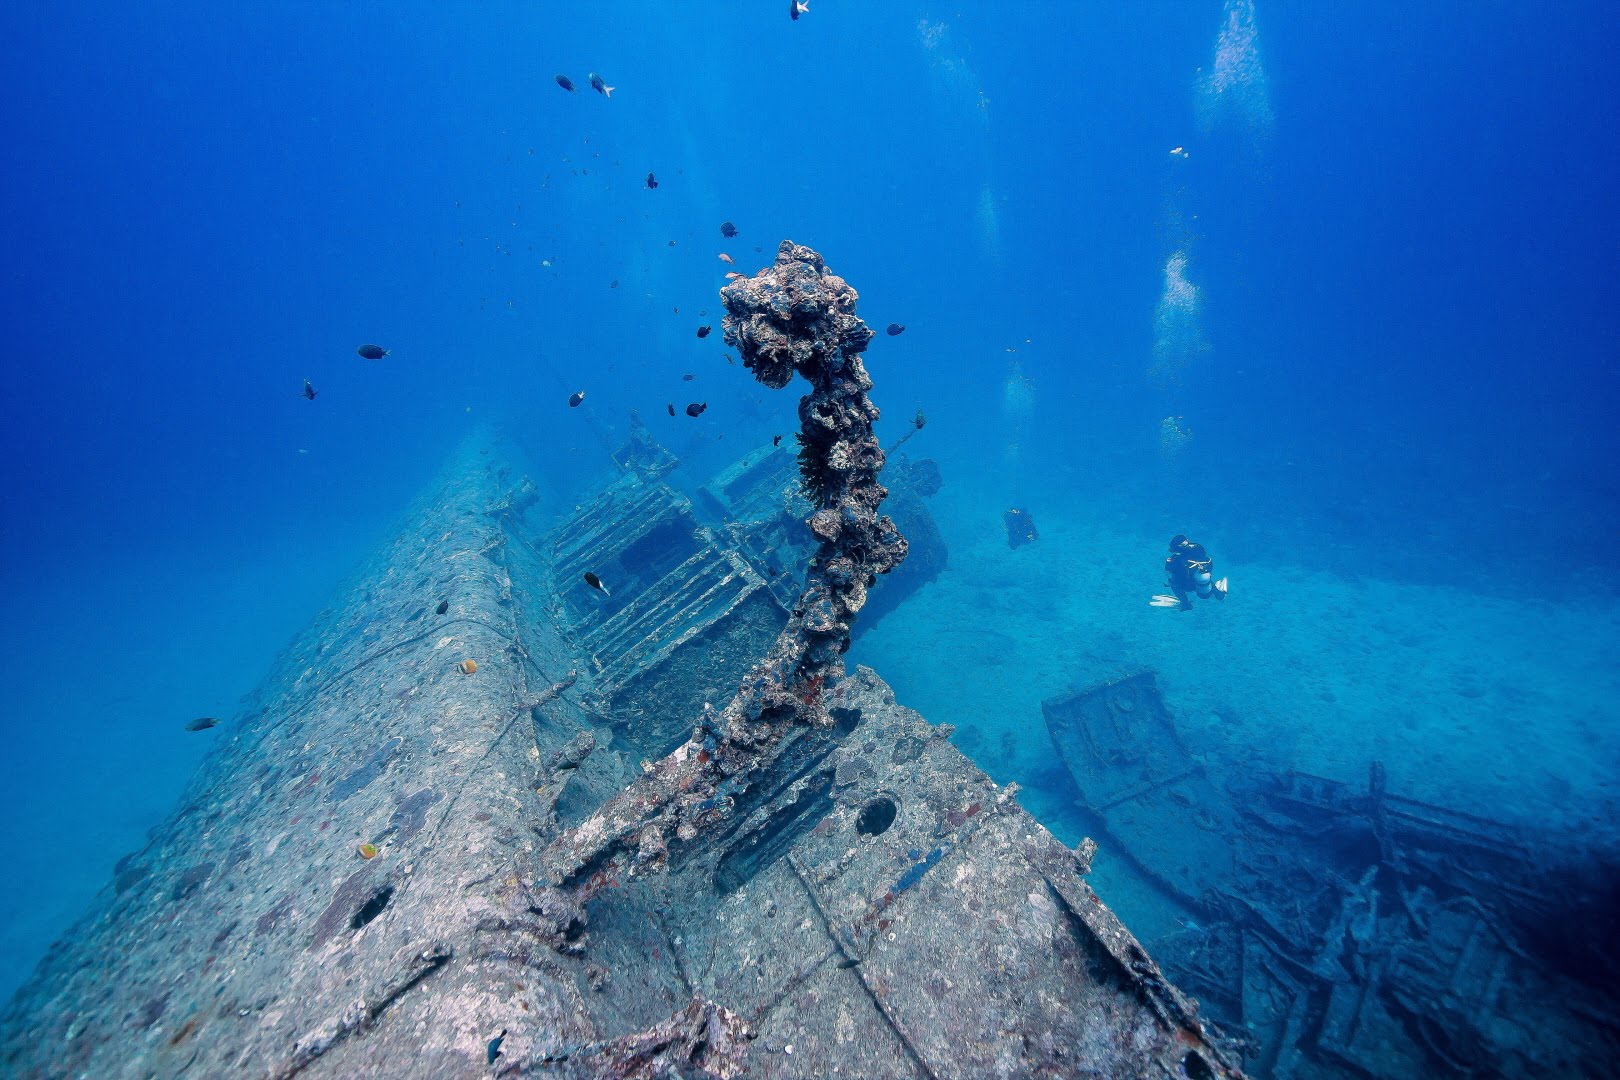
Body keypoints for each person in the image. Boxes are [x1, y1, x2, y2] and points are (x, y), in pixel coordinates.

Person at [1163, 535, 1226, 611]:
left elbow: (1169, 573)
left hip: (1185, 585)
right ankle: (1218, 594)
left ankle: (1185, 604)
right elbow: (1208, 562)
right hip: (1199, 582)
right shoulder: (1197, 548)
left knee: (1174, 583)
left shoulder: (1173, 560)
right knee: (1203, 576)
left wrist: (1167, 583)